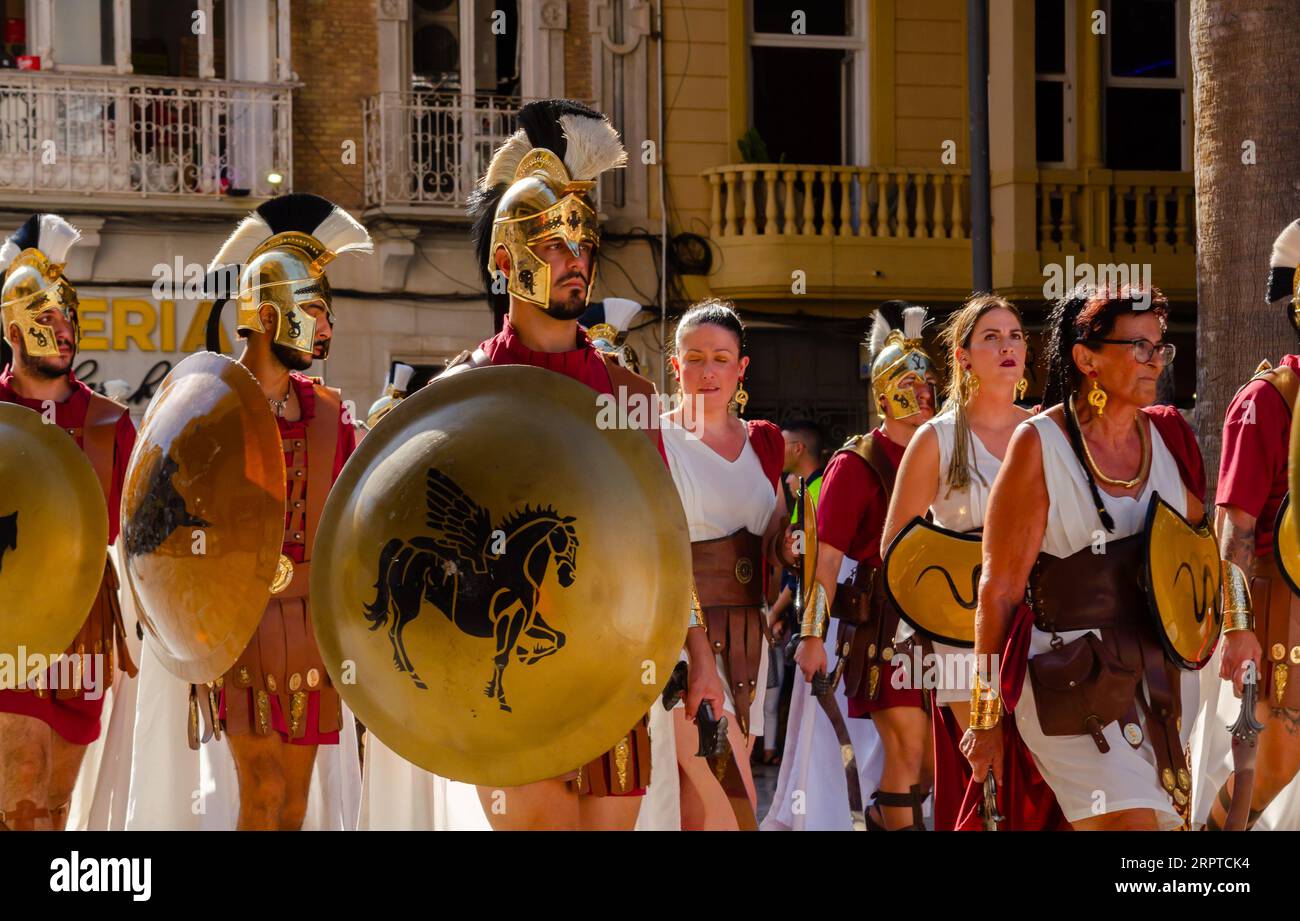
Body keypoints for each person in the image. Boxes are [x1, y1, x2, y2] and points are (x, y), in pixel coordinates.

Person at [360, 98, 712, 831]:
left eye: (583, 247)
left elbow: (665, 533)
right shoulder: (462, 394)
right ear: (507, 260)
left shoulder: (629, 393)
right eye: (553, 247)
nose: (575, 262)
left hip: (612, 667)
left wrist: (698, 652)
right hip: (505, 673)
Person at [962, 282, 1210, 831]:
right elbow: (998, 590)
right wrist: (984, 717)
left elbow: (1204, 556)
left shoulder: (1171, 437)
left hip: (1164, 683)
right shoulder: (1040, 444)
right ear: (1086, 359)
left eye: (1160, 346)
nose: (1155, 362)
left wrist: (1234, 629)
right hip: (1070, 681)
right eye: (1138, 347)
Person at [169, 193, 370, 831]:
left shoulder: (332, 414)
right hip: (238, 625)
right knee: (259, 796)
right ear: (265, 311)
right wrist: (197, 645)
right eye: (313, 310)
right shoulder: (209, 404)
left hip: (310, 628)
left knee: (295, 807)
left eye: (327, 313)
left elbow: (351, 525)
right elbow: (176, 534)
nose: (328, 329)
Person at [0, 214, 137, 830]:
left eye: (69, 318)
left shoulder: (112, 424)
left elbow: (142, 534)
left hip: (84, 625)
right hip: (6, 621)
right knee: (18, 793)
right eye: (46, 319)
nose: (63, 331)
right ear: (13, 330)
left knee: (54, 804)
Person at [785, 302, 938, 831]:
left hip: (940, 623)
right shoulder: (855, 463)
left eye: (927, 385)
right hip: (881, 626)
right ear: (884, 393)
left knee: (932, 765)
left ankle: (877, 820)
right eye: (909, 385)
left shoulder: (943, 452)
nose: (922, 395)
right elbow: (825, 561)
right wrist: (810, 637)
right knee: (909, 750)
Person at [881, 295, 1030, 830]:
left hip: (1040, 626)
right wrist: (937, 613)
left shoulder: (1046, 432)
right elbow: (895, 547)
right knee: (990, 775)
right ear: (963, 357)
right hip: (961, 629)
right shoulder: (937, 438)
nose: (1006, 346)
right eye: (990, 337)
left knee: (1042, 773)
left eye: (1014, 335)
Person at [659, 299, 787, 829]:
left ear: (741, 367)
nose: (707, 371)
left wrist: (793, 545)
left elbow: (777, 532)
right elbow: (656, 548)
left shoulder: (765, 441)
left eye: (720, 357)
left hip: (750, 639)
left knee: (700, 809)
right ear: (675, 367)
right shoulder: (654, 439)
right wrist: (693, 651)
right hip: (679, 637)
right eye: (693, 358)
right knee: (734, 806)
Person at [1198, 217, 1300, 830]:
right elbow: (1232, 531)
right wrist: (1235, 631)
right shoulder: (1267, 401)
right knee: (1259, 783)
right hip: (1274, 615)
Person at [762, 420, 825, 764]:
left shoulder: (811, 494)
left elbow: (800, 567)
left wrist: (774, 613)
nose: (777, 451)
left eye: (784, 444)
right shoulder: (814, 488)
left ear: (799, 449)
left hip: (814, 616)